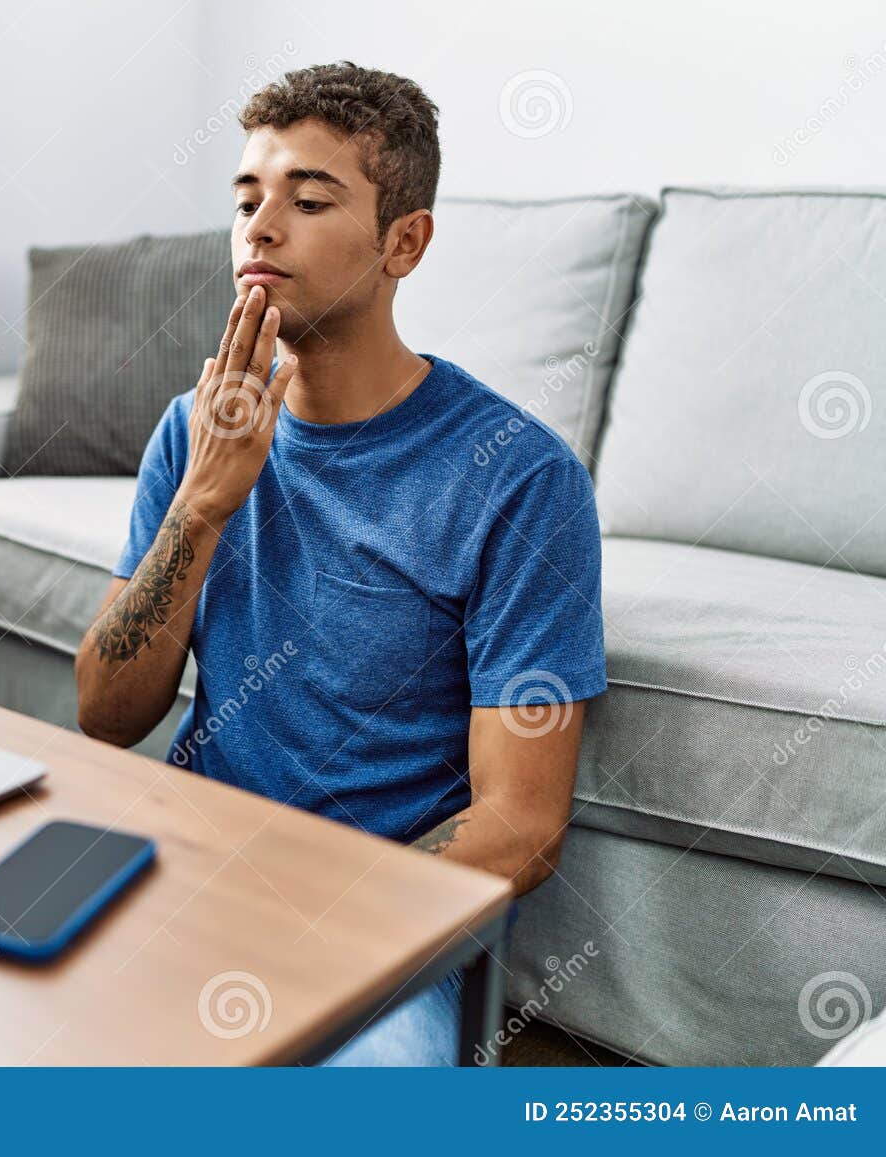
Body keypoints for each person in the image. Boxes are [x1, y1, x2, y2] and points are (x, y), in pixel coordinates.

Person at [73, 61, 606, 1065]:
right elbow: (105, 711)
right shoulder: (193, 431)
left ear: (404, 241)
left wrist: (307, 915)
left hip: (381, 924)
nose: (261, 229)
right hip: (188, 868)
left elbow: (520, 823)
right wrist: (203, 502)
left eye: (308, 200)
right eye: (247, 200)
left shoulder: (521, 478)